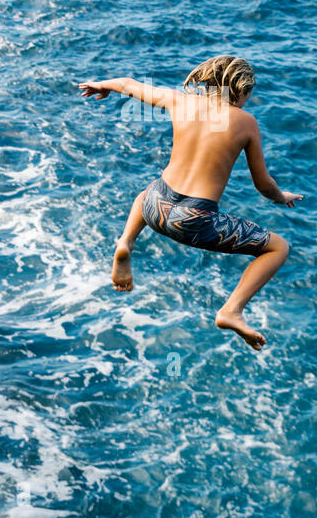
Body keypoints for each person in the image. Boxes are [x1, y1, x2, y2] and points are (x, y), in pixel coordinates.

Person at [78, 56, 301, 350]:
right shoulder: (246, 122)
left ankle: (126, 242)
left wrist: (101, 85)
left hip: (155, 207)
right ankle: (231, 311)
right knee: (278, 247)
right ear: (241, 90)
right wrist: (281, 196)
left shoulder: (180, 101)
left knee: (149, 191)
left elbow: (128, 85)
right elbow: (263, 184)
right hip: (194, 218)